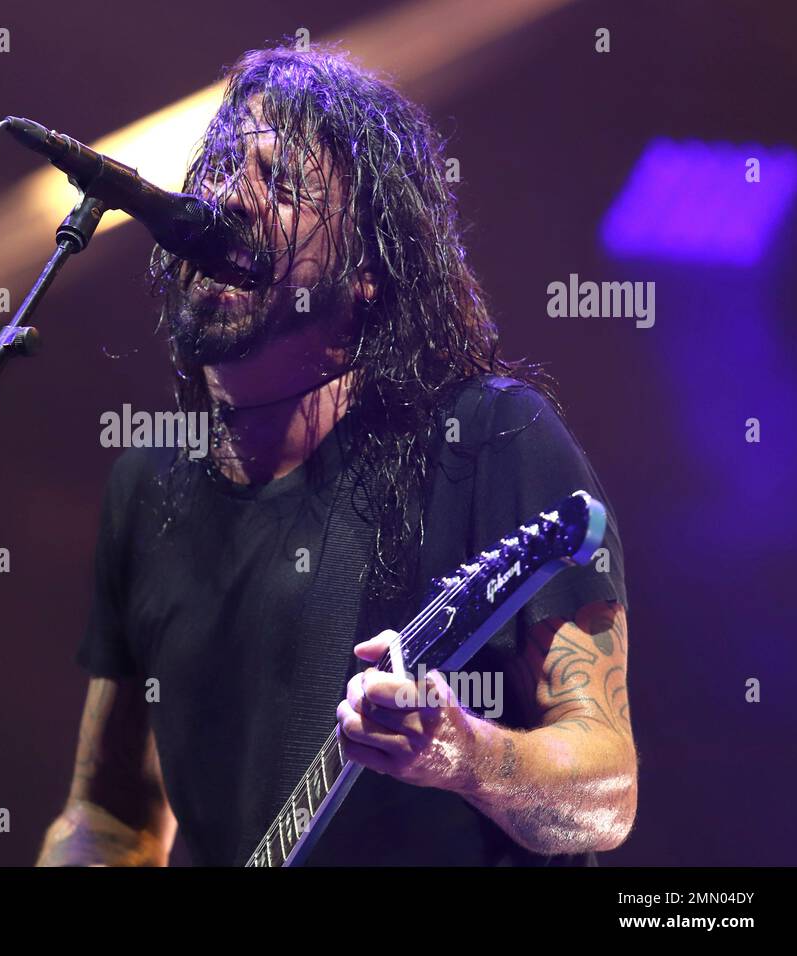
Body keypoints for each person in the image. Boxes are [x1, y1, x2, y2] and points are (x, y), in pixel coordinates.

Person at [37, 44, 635, 867]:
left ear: (367, 275)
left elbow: (604, 795)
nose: (226, 200)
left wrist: (464, 756)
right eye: (218, 172)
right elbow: (106, 817)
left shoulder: (490, 441)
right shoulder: (149, 486)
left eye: (279, 183)